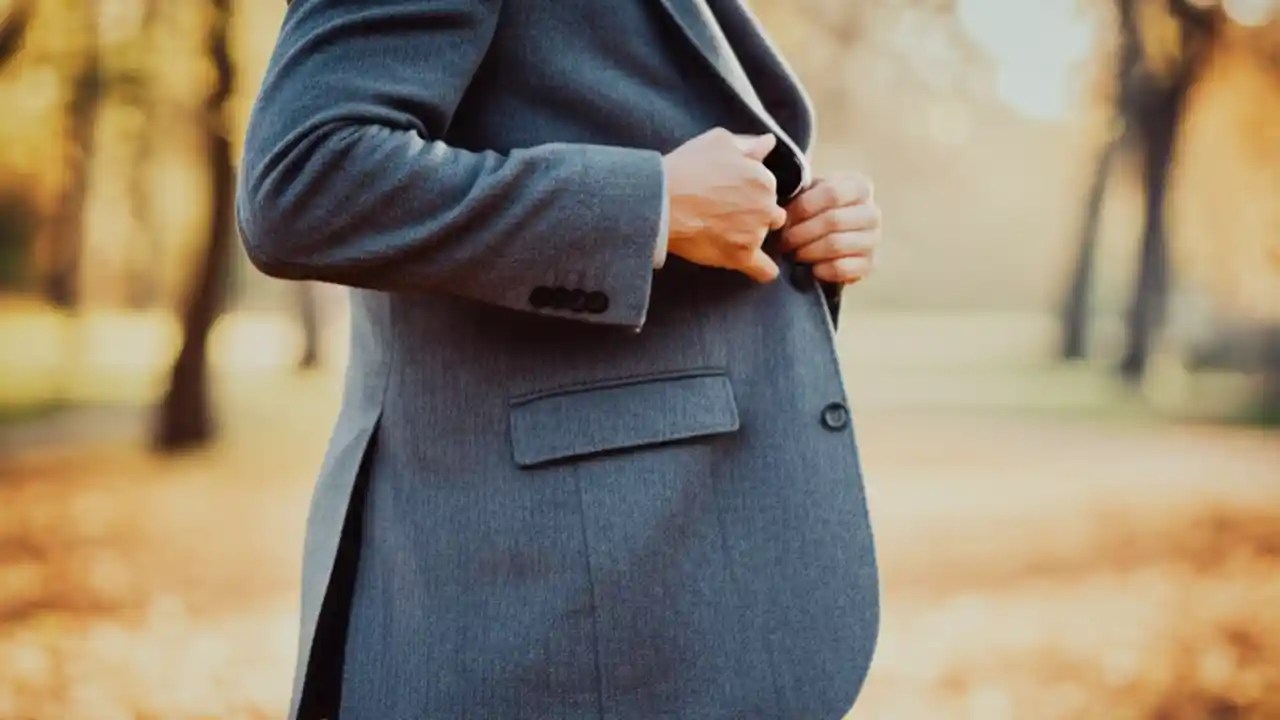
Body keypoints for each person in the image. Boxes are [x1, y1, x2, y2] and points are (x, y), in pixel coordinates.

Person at [236, 0, 884, 717]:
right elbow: (305, 180)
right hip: (542, 608)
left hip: (664, 585)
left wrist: (802, 226)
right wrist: (651, 205)